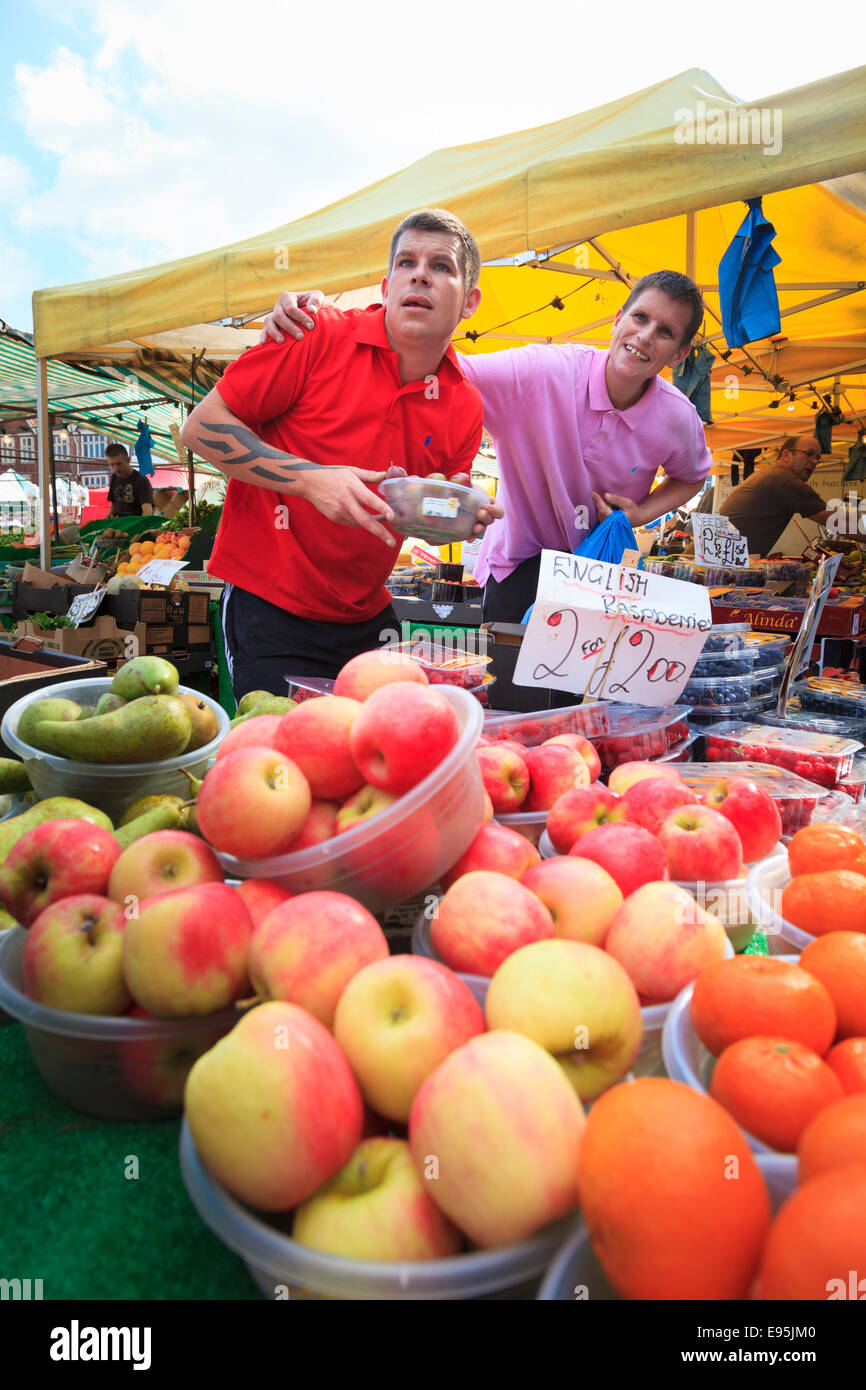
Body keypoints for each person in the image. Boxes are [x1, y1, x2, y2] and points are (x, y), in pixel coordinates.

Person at [263, 270, 714, 622]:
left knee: (588, 713)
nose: (645, 336)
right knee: (517, 716)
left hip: (601, 574)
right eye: (640, 318)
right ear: (618, 319)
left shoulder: (677, 418)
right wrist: (326, 319)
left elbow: (692, 475)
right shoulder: (543, 372)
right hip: (522, 568)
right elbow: (441, 364)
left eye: (665, 332)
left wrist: (640, 514)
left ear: (678, 354)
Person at [181, 208, 501, 698]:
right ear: (386, 286)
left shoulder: (464, 404)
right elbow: (201, 429)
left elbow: (417, 522)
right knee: (286, 753)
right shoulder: (313, 334)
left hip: (367, 615)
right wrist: (311, 480)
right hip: (269, 604)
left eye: (442, 266)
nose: (419, 273)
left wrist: (456, 515)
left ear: (470, 301)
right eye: (406, 263)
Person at [719, 436, 832, 556]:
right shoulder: (785, 481)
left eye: (818, 457)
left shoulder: (770, 473)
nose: (815, 461)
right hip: (732, 563)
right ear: (786, 455)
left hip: (722, 557)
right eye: (809, 454)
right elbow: (838, 522)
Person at [106, 444, 154, 517]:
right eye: (112, 464)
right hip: (119, 523)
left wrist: (140, 526)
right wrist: (110, 514)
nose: (116, 469)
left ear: (128, 460)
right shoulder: (114, 477)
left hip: (136, 523)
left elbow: (147, 511)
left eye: (119, 464)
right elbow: (114, 502)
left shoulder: (141, 480)